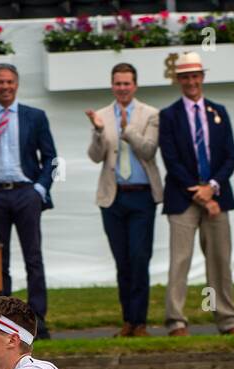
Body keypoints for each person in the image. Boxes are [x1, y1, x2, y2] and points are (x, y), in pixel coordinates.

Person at [0, 63, 56, 338]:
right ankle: (3, 318)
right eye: (0, 82)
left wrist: (40, 189)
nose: (5, 87)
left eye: (9, 82)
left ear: (16, 85)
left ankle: (37, 318)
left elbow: (51, 158)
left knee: (33, 256)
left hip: (26, 192)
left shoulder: (35, 116)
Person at [158, 52, 234, 336]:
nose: (191, 81)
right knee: (180, 261)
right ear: (178, 80)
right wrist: (200, 193)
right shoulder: (168, 115)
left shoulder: (219, 112)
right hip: (183, 198)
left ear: (202, 77)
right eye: (185, 77)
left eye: (195, 76)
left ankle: (226, 318)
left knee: (219, 260)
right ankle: (176, 320)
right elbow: (171, 160)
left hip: (217, 196)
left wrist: (212, 188)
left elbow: (230, 157)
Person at [86, 62, 162, 338]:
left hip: (142, 196)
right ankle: (127, 321)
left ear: (135, 85)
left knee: (139, 258)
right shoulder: (102, 115)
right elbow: (95, 156)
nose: (122, 88)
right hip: (113, 197)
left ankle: (140, 322)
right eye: (117, 83)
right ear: (112, 85)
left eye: (127, 83)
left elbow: (150, 150)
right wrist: (97, 131)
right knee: (123, 262)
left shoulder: (150, 114)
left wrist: (127, 129)